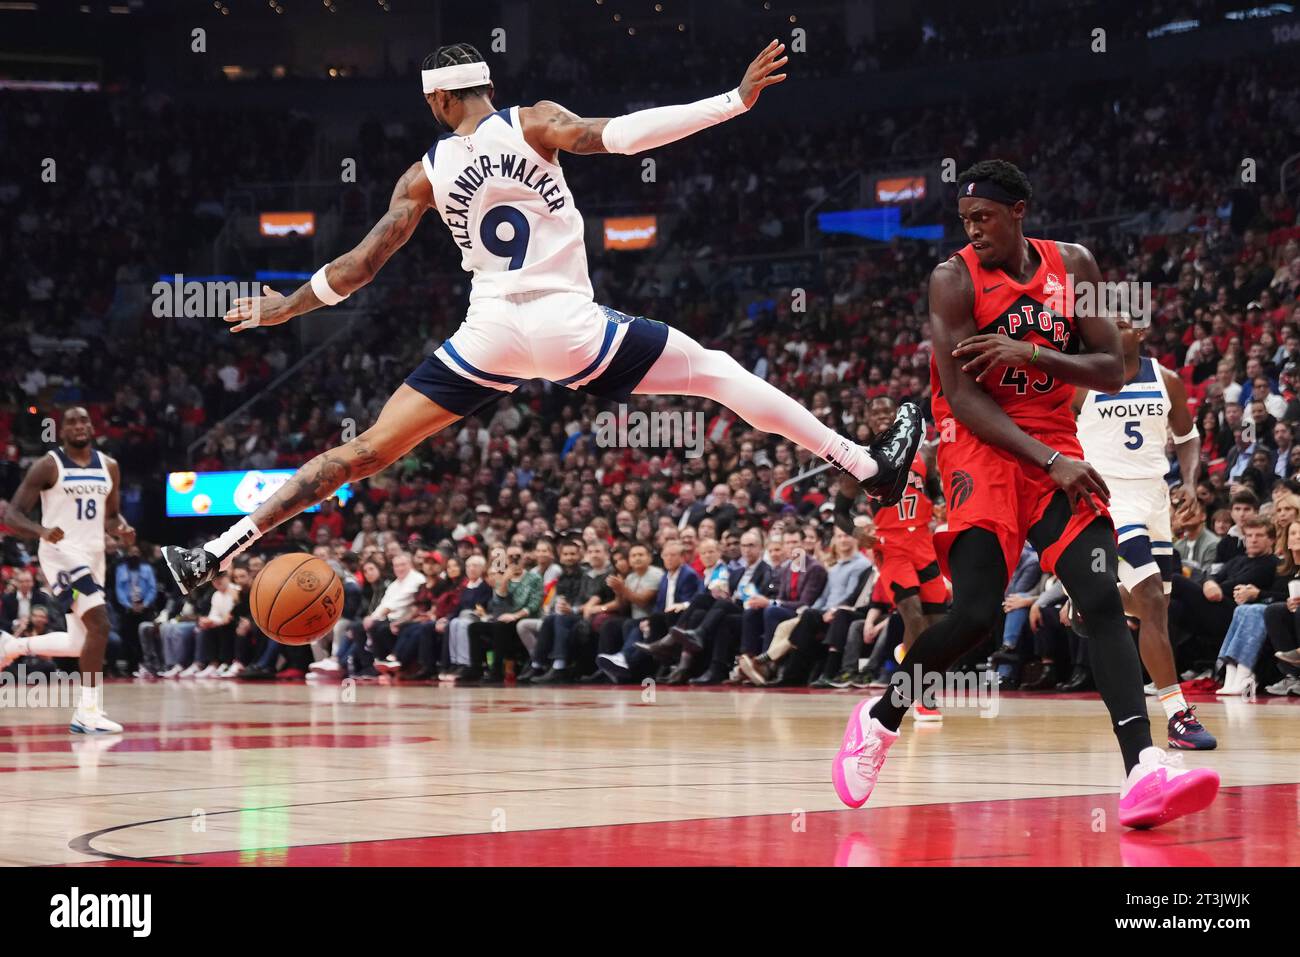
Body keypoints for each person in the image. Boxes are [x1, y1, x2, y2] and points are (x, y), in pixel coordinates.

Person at [162, 40, 922, 596]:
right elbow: (620, 135)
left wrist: (284, 305)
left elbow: (359, 267)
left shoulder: (423, 172)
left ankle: (214, 551)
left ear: (435, 101)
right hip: (568, 328)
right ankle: (866, 464)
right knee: (719, 376)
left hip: (486, 335)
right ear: (487, 86)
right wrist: (733, 101)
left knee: (360, 454)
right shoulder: (533, 122)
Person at [831, 160, 1219, 829]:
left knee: (1101, 594)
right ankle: (882, 715)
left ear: (1019, 211)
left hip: (1054, 439)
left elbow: (1110, 367)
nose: (973, 231)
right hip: (979, 442)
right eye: (965, 221)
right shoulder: (952, 280)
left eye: (984, 218)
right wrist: (1049, 458)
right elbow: (958, 395)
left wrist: (1031, 355)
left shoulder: (1076, 264)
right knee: (977, 614)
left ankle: (1144, 767)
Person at [1074, 315, 1216, 749]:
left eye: (1124, 324)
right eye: (1107, 324)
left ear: (1141, 333)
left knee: (1155, 609)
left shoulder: (1167, 379)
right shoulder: (1079, 381)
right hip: (1110, 499)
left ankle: (1092, 598)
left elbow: (1188, 436)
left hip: (1156, 498)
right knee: (1152, 598)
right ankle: (1178, 716)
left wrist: (1189, 483)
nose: (1115, 331)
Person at [0, 408, 133, 733]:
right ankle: (88, 712)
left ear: (92, 426)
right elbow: (13, 515)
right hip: (60, 554)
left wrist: (122, 528)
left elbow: (111, 516)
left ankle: (13, 647)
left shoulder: (109, 467)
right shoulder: (48, 465)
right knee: (100, 625)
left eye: (84, 420)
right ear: (61, 431)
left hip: (93, 556)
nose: (79, 426)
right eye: (71, 421)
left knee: (80, 642)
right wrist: (41, 531)